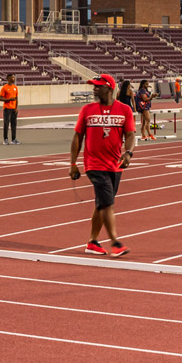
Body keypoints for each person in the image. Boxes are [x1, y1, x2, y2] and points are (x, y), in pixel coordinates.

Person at [69, 75, 136, 256]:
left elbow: (130, 135)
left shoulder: (124, 110)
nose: (94, 89)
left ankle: (92, 242)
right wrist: (73, 163)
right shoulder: (87, 110)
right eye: (93, 86)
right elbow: (77, 137)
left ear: (109, 88)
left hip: (115, 164)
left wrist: (128, 153)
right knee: (108, 203)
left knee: (101, 203)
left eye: (98, 86)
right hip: (94, 164)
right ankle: (115, 242)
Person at [0, 75, 20, 145]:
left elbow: (16, 98)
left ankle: (13, 139)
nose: (13, 79)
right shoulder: (4, 88)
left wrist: (16, 107)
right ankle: (5, 139)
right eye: (12, 77)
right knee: (6, 123)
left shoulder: (15, 87)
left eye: (14, 77)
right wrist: (9, 99)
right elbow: (0, 98)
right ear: (8, 79)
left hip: (14, 108)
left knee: (14, 124)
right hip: (7, 108)